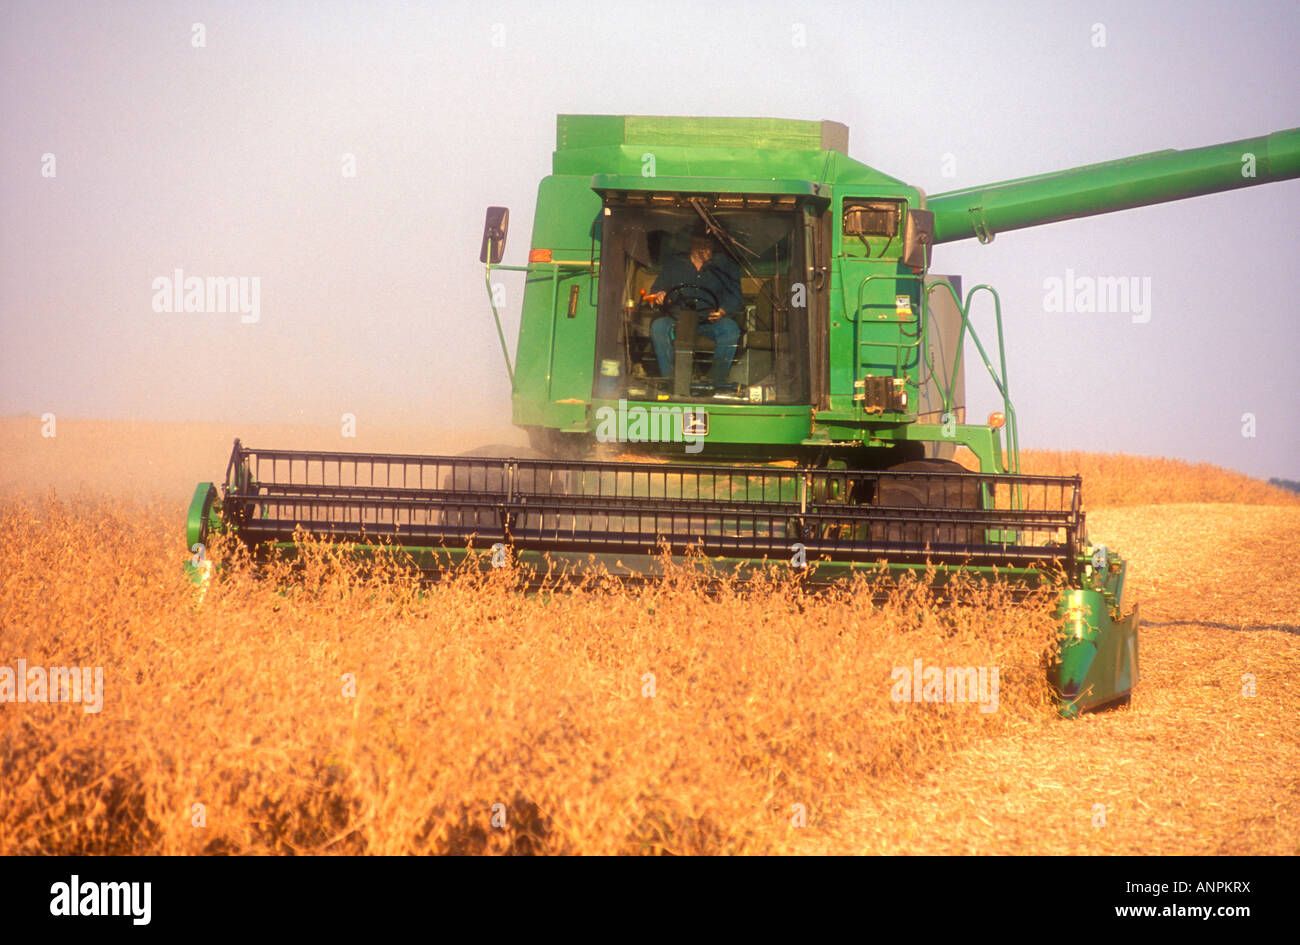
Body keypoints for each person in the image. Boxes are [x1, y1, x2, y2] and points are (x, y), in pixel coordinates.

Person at [646, 223, 742, 390]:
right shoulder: (675, 264)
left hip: (710, 322)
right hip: (677, 320)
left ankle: (715, 382)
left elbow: (736, 298)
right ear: (691, 242)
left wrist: (723, 311)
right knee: (658, 326)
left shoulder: (725, 265)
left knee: (731, 329)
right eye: (700, 243)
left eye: (708, 243)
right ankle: (669, 379)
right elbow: (656, 289)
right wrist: (660, 294)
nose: (704, 248)